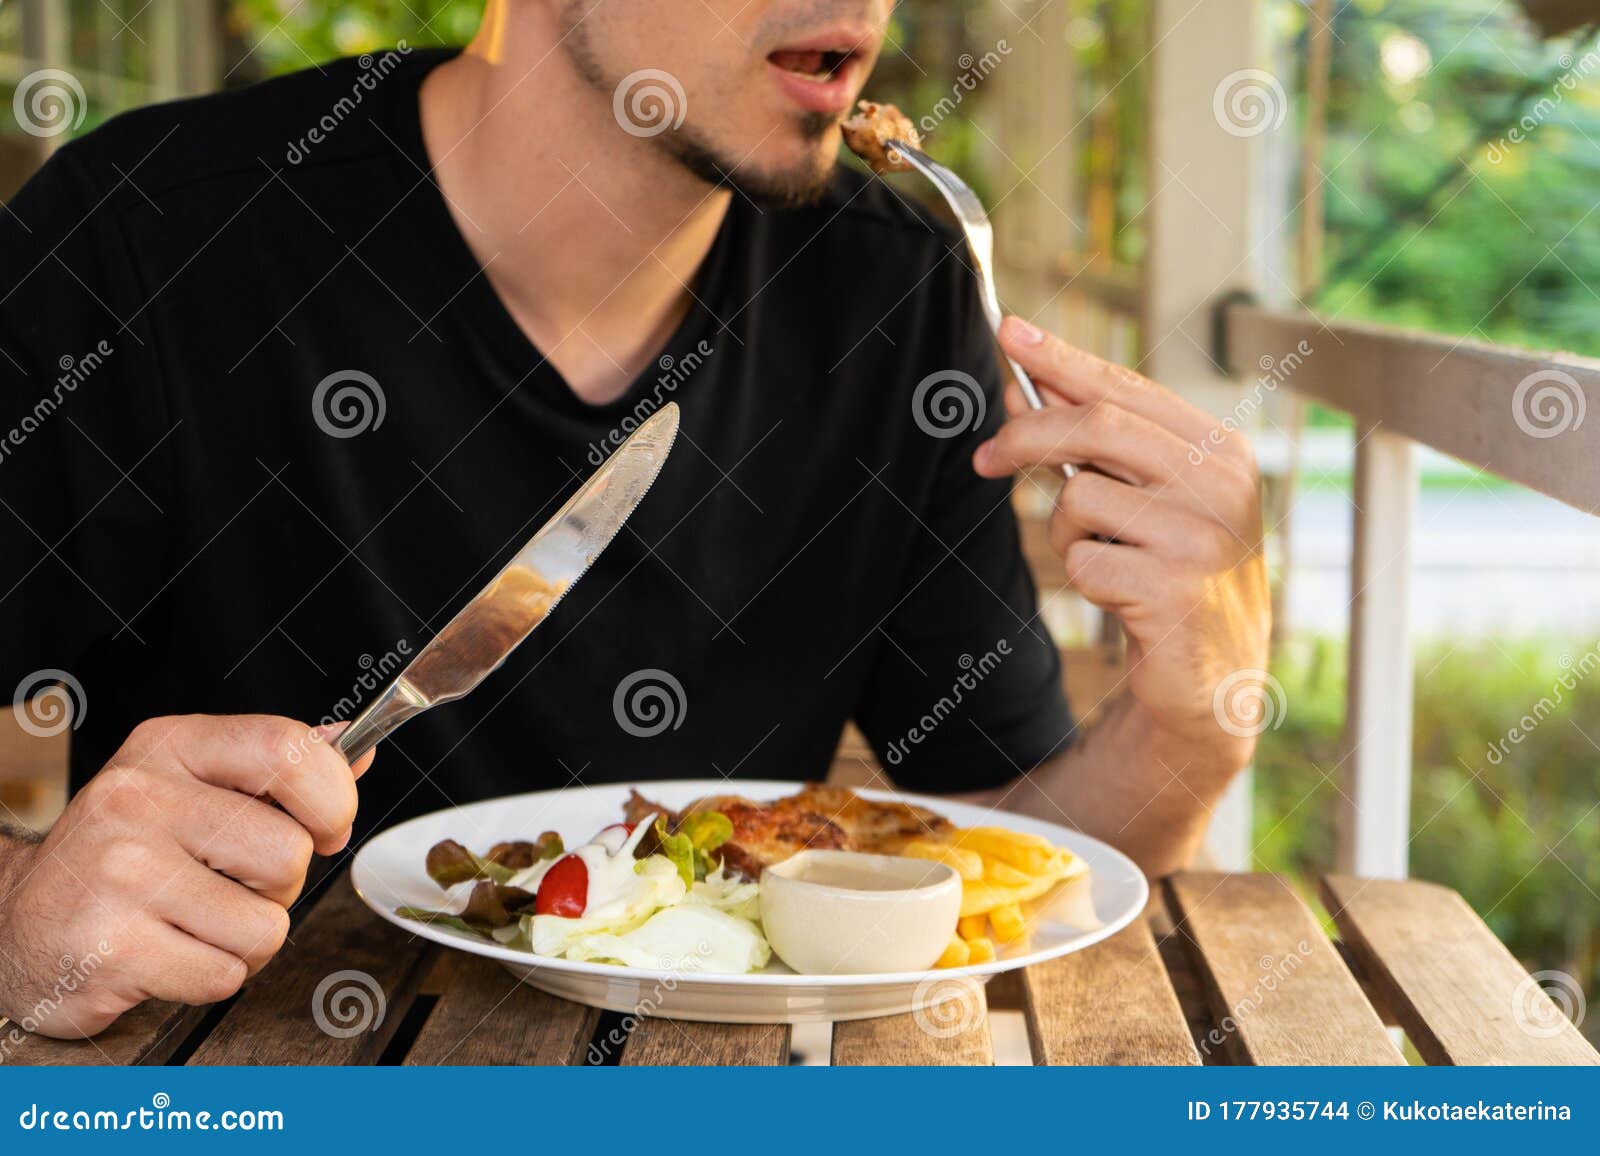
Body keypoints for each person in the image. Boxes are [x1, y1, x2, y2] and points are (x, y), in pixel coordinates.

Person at [0, 0, 1267, 1038]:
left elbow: (1024, 862)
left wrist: (1194, 720)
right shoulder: (145, 237)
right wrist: (19, 916)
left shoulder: (893, 292)